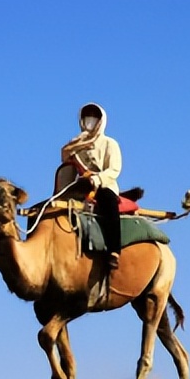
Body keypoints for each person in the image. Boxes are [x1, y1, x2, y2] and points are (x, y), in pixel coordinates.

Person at [61, 102, 123, 269]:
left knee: (109, 203)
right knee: (53, 207)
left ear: (101, 120)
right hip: (81, 185)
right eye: (87, 116)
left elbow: (114, 169)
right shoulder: (75, 143)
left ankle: (114, 250)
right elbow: (68, 165)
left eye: (94, 117)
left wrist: (97, 179)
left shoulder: (110, 143)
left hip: (103, 185)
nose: (90, 120)